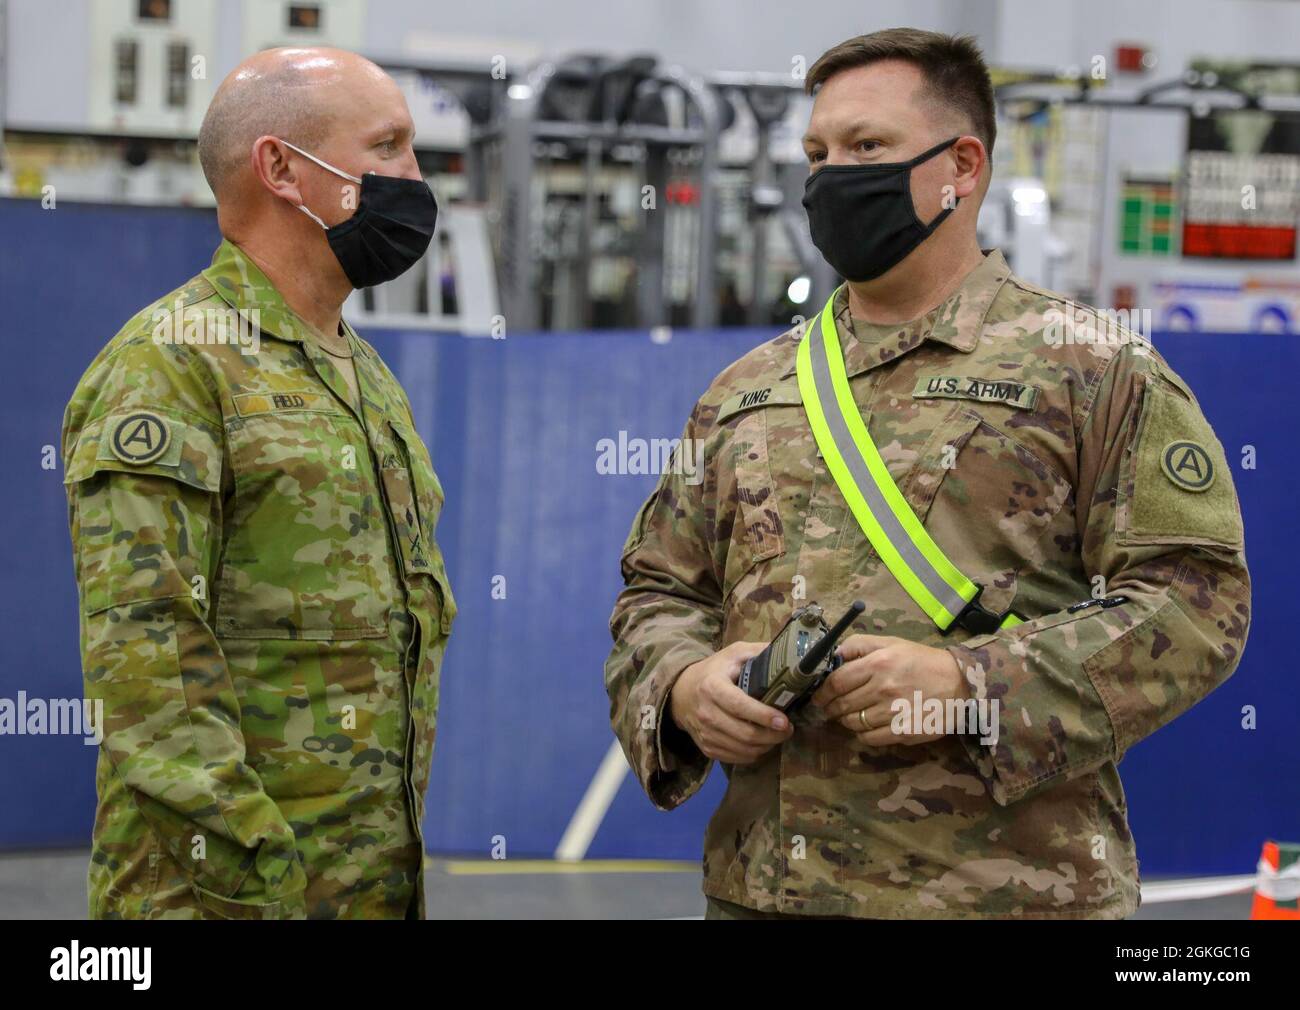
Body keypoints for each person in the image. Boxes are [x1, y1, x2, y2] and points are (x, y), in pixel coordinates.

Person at [604, 28, 1249, 919]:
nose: (832, 177)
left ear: (964, 165)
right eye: (817, 153)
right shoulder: (747, 389)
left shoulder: (1093, 368)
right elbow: (657, 592)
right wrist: (683, 686)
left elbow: (1198, 602)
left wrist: (969, 685)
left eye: (868, 148)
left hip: (1008, 897)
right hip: (767, 893)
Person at [62, 47, 456, 919]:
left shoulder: (367, 376)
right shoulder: (168, 366)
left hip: (368, 886)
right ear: (281, 167)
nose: (414, 178)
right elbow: (149, 670)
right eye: (387, 147)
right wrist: (261, 887)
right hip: (226, 897)